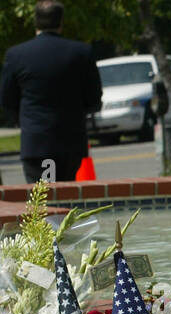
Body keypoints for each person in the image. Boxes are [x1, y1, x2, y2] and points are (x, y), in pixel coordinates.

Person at [0, 0, 102, 183]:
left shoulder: (16, 55)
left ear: (35, 21)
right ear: (61, 21)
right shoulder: (81, 52)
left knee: (43, 201)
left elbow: (7, 101)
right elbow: (94, 99)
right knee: (65, 198)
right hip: (71, 141)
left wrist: (24, 120)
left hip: (36, 141)